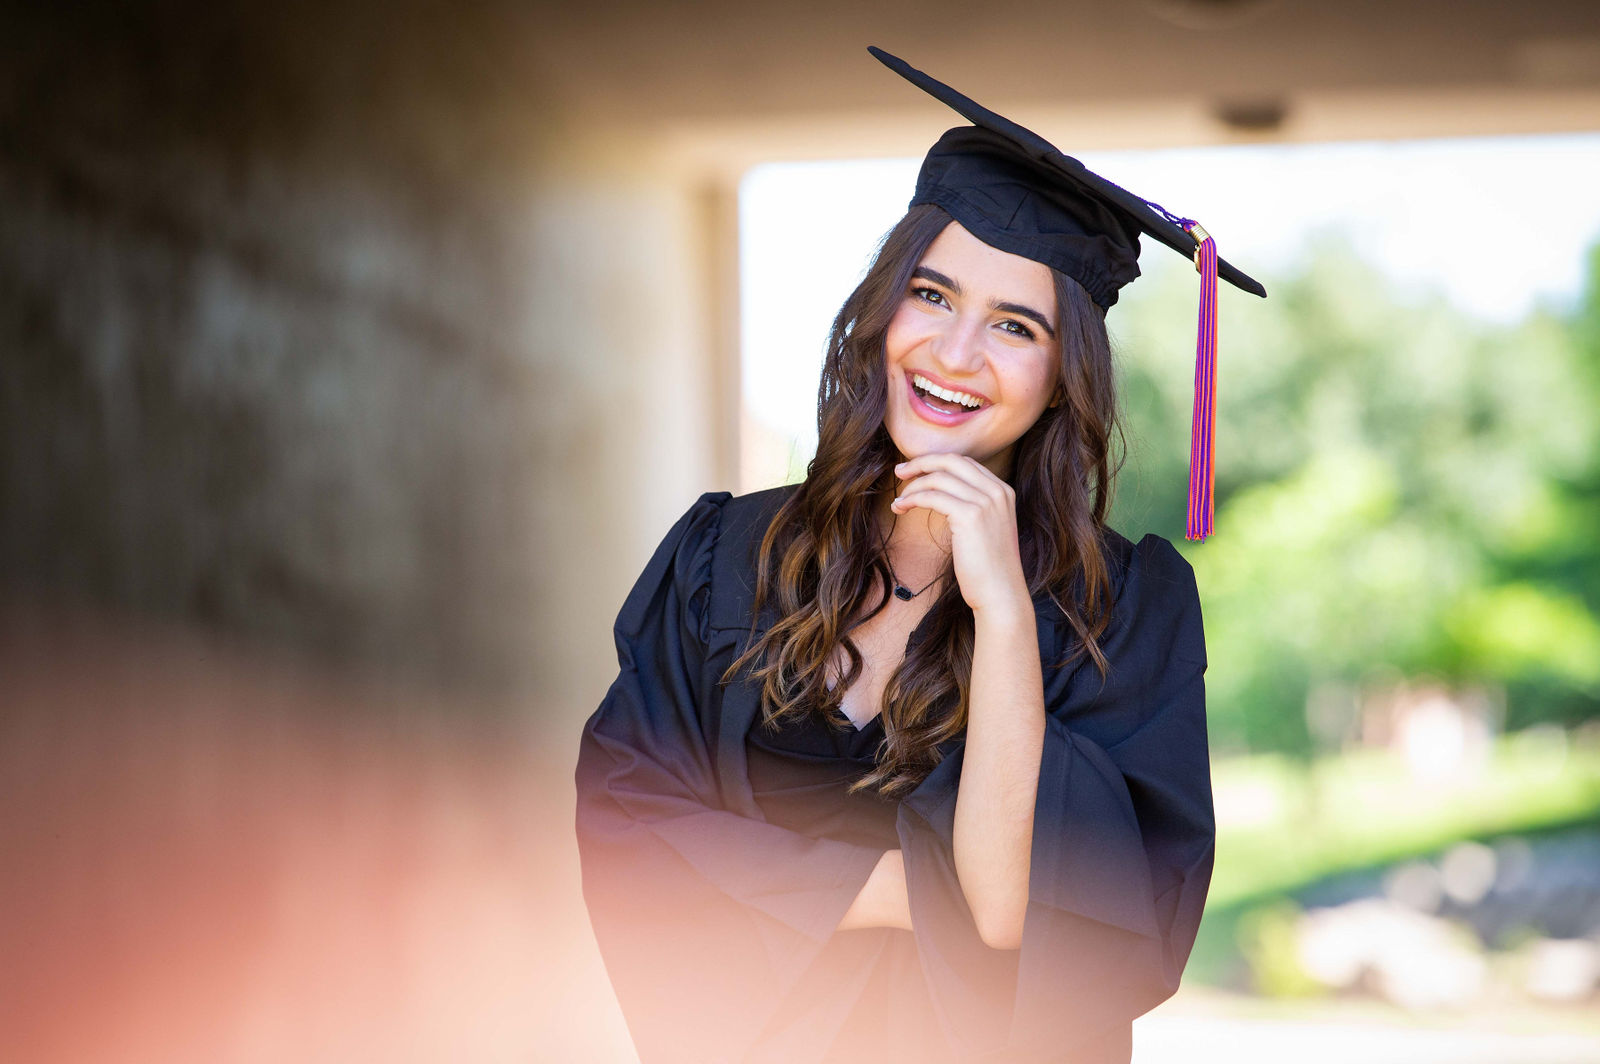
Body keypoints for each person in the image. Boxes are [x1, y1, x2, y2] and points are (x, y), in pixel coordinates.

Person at [574, 46, 1266, 1064]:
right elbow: (629, 824)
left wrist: (1002, 610)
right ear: (884, 304)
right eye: (932, 296)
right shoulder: (726, 555)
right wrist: (901, 887)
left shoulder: (1124, 608)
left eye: (1014, 324)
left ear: (1061, 374)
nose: (953, 353)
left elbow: (1024, 917)